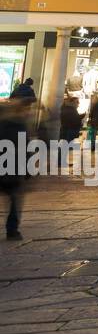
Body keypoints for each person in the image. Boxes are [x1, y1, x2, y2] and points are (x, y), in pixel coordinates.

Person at [0, 95, 31, 239]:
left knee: (14, 200)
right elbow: (26, 149)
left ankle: (13, 230)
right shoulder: (21, 126)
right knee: (14, 200)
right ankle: (12, 230)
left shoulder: (13, 124)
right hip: (13, 169)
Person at [58, 95, 82, 167]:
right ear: (73, 102)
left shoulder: (67, 108)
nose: (78, 103)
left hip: (66, 130)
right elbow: (73, 120)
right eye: (77, 102)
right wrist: (80, 118)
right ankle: (60, 162)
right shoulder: (70, 109)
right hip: (68, 130)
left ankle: (60, 161)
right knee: (65, 146)